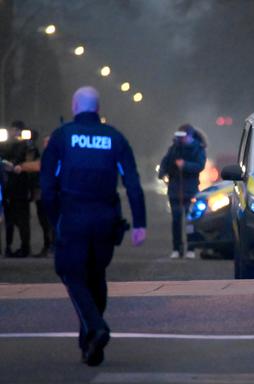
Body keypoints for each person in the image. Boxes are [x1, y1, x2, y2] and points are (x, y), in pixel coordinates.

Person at [40, 86, 147, 366]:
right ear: (98, 108)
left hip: (73, 216)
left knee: (71, 273)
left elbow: (47, 186)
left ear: (75, 105)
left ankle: (96, 328)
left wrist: (54, 220)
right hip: (105, 218)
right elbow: (133, 183)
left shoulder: (62, 137)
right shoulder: (115, 138)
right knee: (96, 274)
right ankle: (90, 345)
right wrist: (140, 223)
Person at [158, 124, 206, 259]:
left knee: (190, 221)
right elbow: (165, 163)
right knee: (176, 220)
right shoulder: (173, 149)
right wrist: (162, 173)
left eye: (184, 136)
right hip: (174, 191)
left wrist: (185, 165)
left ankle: (191, 248)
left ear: (190, 136)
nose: (181, 139)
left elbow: (199, 166)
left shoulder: (198, 149)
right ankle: (176, 248)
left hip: (190, 191)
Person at [3, 120, 32, 258]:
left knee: (22, 221)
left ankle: (24, 247)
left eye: (16, 129)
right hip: (10, 188)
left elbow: (24, 162)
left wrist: (13, 165)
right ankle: (10, 246)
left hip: (19, 188)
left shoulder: (26, 146)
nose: (14, 132)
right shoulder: (8, 145)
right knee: (10, 221)